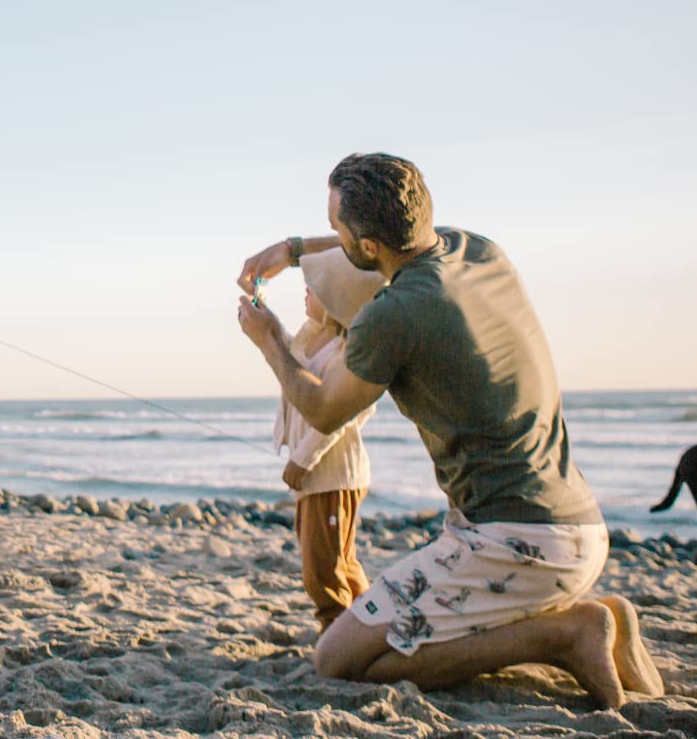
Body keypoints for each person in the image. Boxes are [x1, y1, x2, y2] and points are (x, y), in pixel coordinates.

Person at [235, 153, 664, 709]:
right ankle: (599, 617)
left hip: (515, 542)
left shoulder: (392, 316)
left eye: (336, 226)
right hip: (578, 527)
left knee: (337, 659)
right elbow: (364, 250)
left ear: (368, 248)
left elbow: (322, 410)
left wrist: (268, 337)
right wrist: (294, 250)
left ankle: (565, 633)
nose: (330, 234)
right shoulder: (478, 250)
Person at [272, 249, 382, 630]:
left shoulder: (351, 350)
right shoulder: (313, 337)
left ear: (338, 297)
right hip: (318, 478)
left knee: (323, 568)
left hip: (333, 476)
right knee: (340, 560)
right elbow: (287, 363)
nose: (305, 293)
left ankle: (337, 630)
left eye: (313, 288)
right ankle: (369, 629)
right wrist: (263, 320)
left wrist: (302, 459)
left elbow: (343, 416)